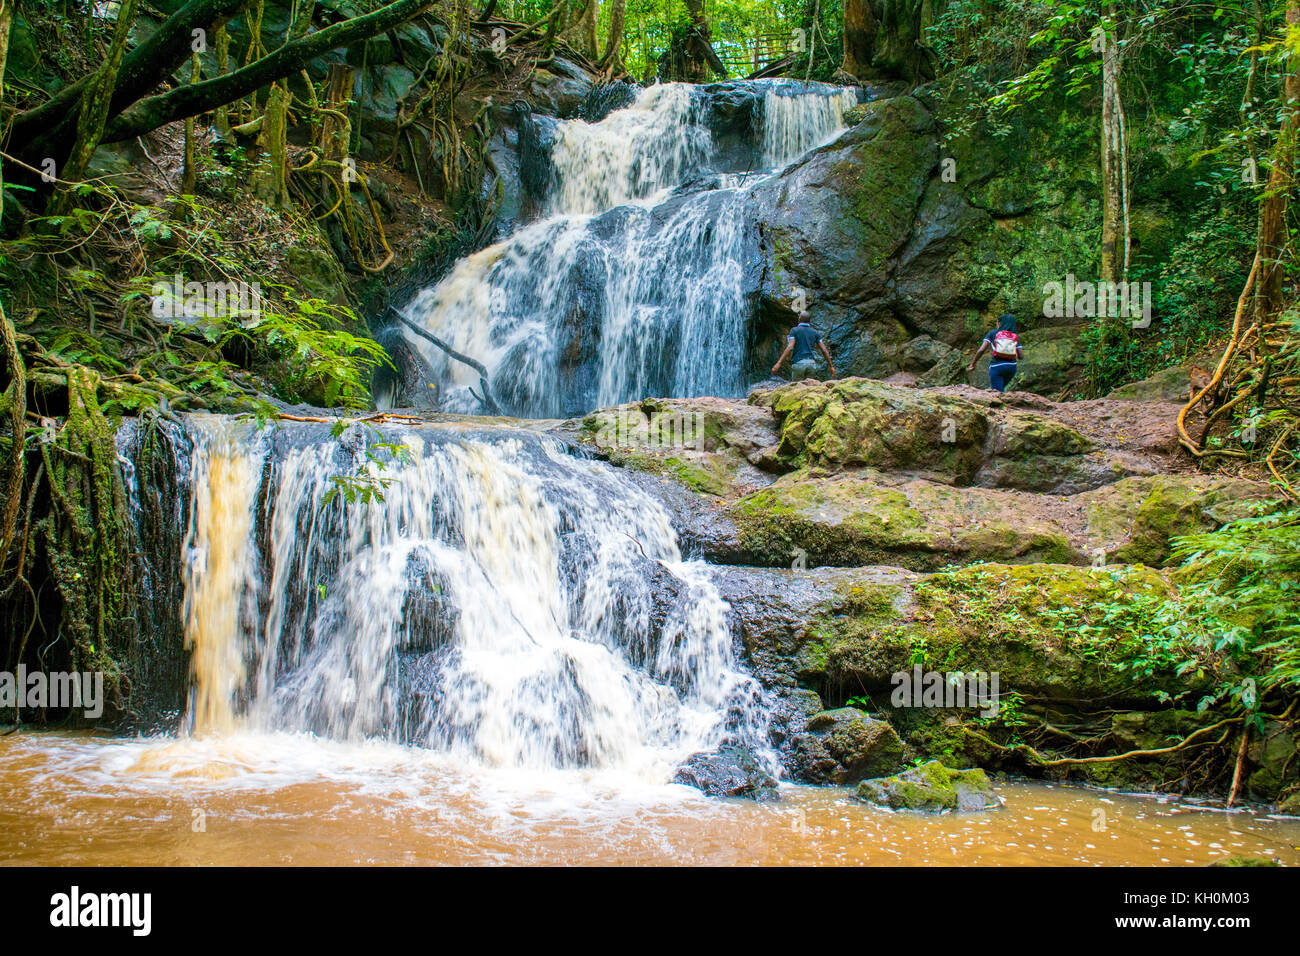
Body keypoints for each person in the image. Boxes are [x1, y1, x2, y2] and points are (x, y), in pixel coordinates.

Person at [772, 312, 836, 381]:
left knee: (797, 389)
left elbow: (790, 347)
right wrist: (831, 366)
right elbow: (824, 350)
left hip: (799, 363)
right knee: (808, 388)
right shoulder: (815, 332)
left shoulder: (794, 330)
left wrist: (779, 363)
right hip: (811, 364)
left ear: (800, 319)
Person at [968, 313, 1023, 392]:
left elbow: (981, 350)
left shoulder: (993, 333)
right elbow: (1021, 356)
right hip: (1011, 367)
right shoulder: (1014, 336)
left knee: (997, 393)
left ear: (999, 323)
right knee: (1000, 389)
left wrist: (973, 363)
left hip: (997, 366)